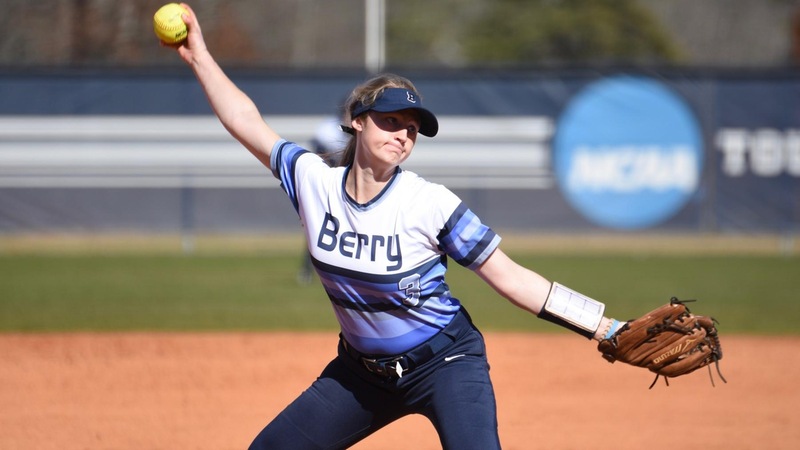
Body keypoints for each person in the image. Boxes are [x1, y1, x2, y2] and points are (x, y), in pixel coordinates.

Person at [164, 5, 625, 449]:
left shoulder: (429, 203)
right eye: (390, 121)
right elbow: (245, 120)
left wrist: (605, 327)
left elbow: (511, 277)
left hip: (446, 361)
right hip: (361, 375)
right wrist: (201, 56)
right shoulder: (313, 182)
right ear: (357, 122)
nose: (402, 134)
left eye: (411, 128)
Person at [297, 112, 349, 285]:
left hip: (350, 187)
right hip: (328, 187)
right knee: (318, 228)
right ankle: (306, 271)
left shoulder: (363, 132)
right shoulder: (328, 129)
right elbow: (316, 156)